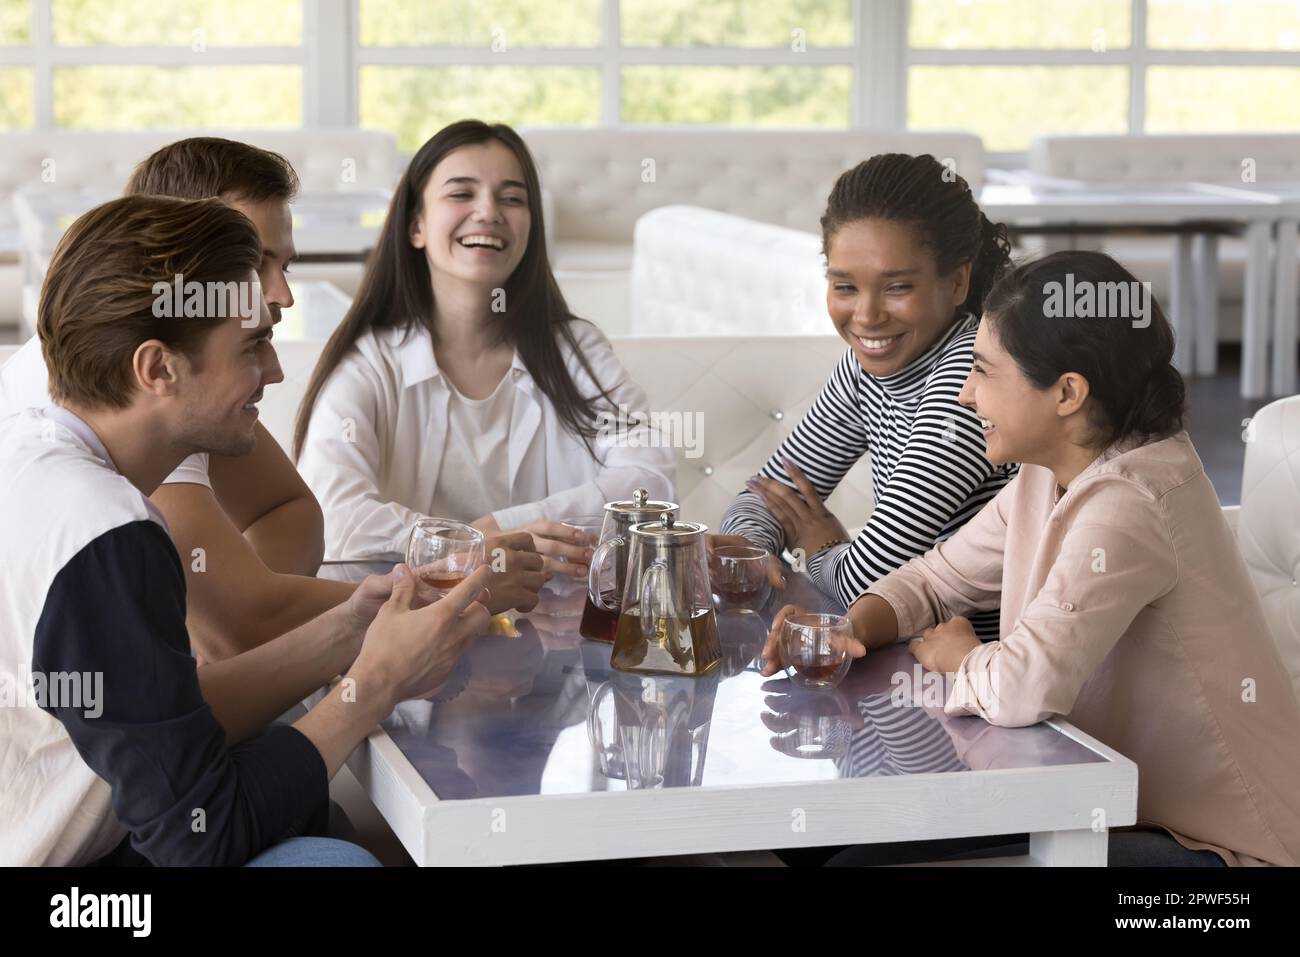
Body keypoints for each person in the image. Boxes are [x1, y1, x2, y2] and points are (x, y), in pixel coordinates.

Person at [0, 194, 495, 866]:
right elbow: (199, 833)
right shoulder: (104, 534)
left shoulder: (38, 442)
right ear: (157, 369)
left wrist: (352, 625)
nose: (275, 370)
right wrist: (372, 685)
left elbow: (158, 717)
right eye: (253, 344)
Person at [766, 251, 1300, 866]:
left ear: (1067, 393)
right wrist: (848, 629)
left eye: (985, 372)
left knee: (858, 866)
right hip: (1104, 810)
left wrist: (960, 657)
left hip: (1220, 854)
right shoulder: (1049, 475)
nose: (967, 395)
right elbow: (937, 580)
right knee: (822, 845)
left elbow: (1024, 688)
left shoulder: (1134, 499)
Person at [0, 137, 545, 657]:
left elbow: (290, 512)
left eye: (282, 265)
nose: (280, 295)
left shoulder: (189, 386)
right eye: (253, 262)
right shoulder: (136, 394)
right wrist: (450, 593)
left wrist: (256, 598)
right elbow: (242, 628)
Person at [293, 120, 675, 576]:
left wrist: (500, 528)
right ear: (416, 225)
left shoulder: (576, 350)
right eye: (461, 194)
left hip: (555, 628)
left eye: (512, 198)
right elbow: (334, 518)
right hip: (408, 626)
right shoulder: (369, 363)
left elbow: (650, 480)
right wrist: (471, 546)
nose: (488, 212)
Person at [717, 153, 1016, 640]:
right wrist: (753, 558)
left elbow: (870, 579)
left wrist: (822, 545)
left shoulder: (970, 373)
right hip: (896, 651)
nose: (867, 315)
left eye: (898, 286)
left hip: (979, 664)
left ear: (958, 281)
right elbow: (762, 497)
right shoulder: (864, 368)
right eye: (845, 286)